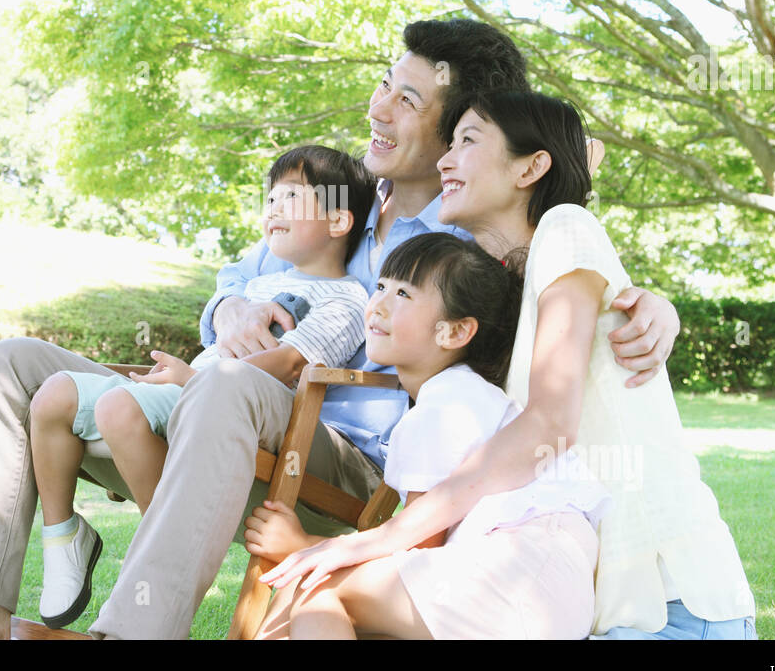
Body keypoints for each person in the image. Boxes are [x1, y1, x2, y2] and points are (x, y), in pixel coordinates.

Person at [0, 17, 683, 640]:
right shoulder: (342, 190)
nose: (378, 108)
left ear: (459, 133)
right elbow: (238, 276)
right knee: (15, 363)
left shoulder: (465, 225)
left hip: (349, 455)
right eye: (386, 82)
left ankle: (135, 634)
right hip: (223, 409)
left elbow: (560, 247)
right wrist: (232, 310)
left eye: (407, 101)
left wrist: (650, 303)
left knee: (226, 381)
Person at [261, 87, 757, 640]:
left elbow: (549, 423)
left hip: (672, 607)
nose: (445, 158)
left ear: (532, 168)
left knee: (327, 594)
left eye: (467, 141)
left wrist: (377, 539)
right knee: (318, 606)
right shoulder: (507, 301)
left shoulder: (566, 228)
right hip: (587, 611)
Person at [24, 145, 376, 628]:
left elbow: (293, 364)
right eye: (270, 198)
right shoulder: (251, 289)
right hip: (184, 389)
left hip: (221, 403)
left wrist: (191, 379)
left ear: (339, 222)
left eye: (291, 197)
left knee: (116, 411)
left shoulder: (348, 297)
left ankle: (159, 562)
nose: (273, 208)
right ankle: (64, 538)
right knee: (53, 394)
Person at [247, 232, 611, 638]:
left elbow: (422, 545)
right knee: (315, 593)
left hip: (514, 576)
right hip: (543, 591)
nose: (378, 305)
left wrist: (301, 544)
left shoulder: (446, 402)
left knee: (310, 583)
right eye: (381, 286)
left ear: (454, 333)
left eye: (403, 294)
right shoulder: (465, 397)